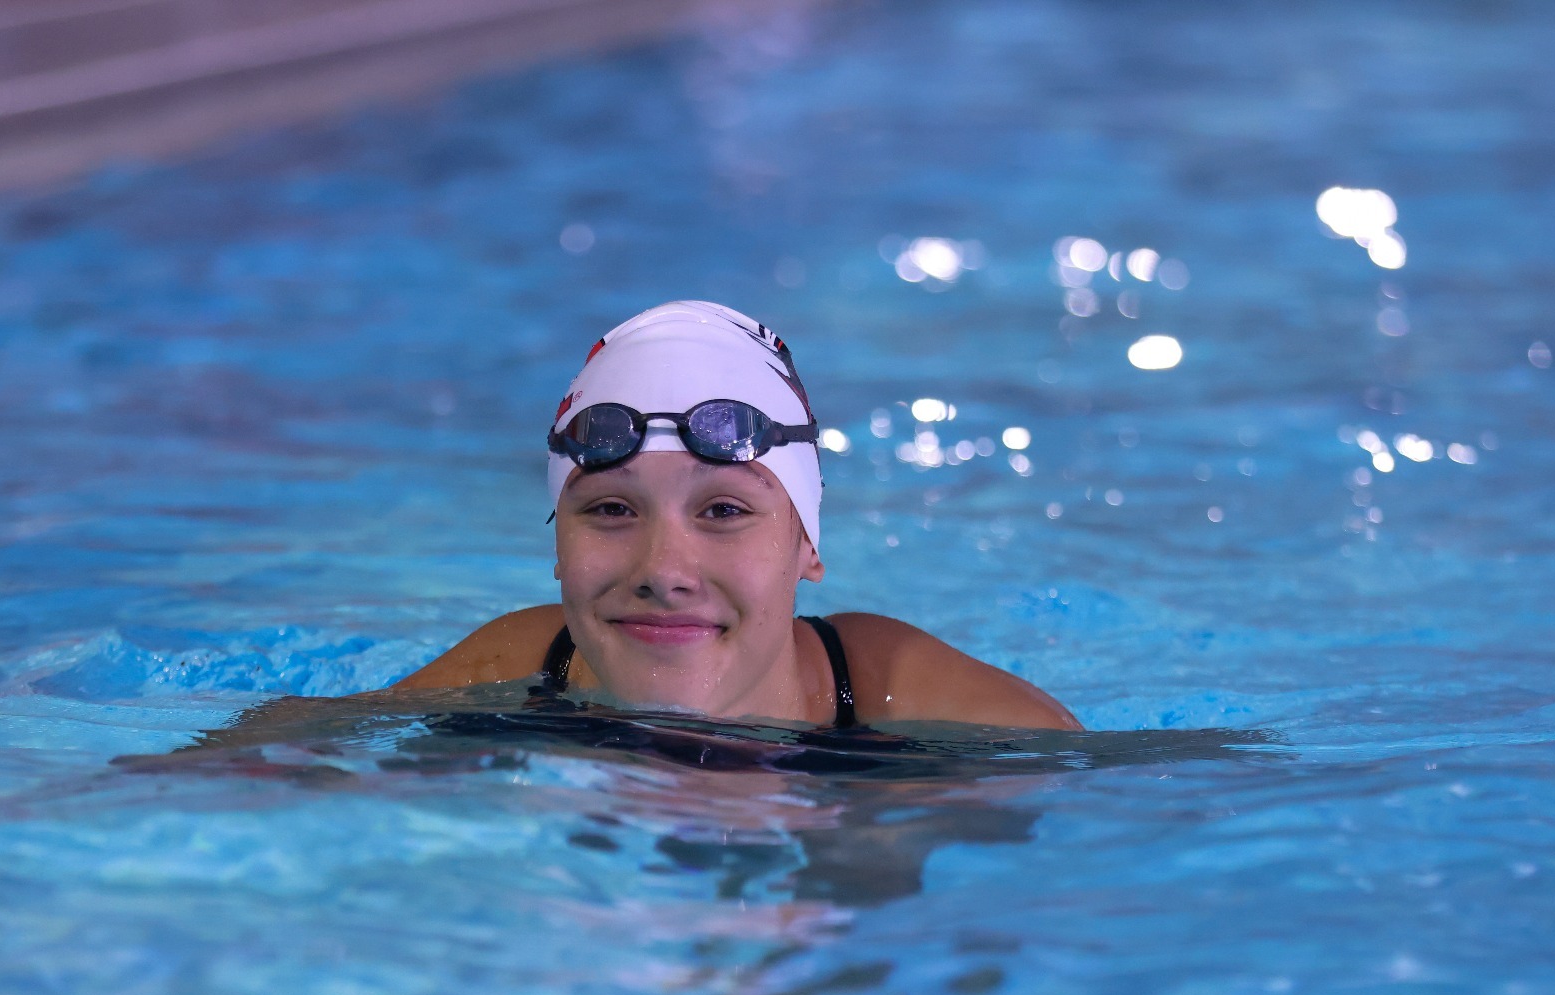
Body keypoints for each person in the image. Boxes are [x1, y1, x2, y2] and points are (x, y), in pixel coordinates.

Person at [390, 300, 1079, 731]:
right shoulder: (521, 670)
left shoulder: (959, 725)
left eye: (723, 509)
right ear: (559, 548)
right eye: (611, 508)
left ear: (807, 544)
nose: (663, 572)